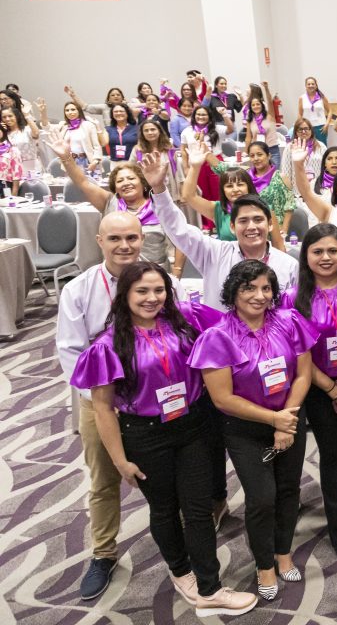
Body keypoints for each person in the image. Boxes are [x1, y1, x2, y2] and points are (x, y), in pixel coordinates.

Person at [69, 262, 256, 617]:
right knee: (165, 509)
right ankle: (181, 572)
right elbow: (104, 409)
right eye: (142, 291)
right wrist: (120, 460)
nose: (152, 298)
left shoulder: (186, 322)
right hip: (146, 434)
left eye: (159, 290)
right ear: (124, 296)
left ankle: (209, 587)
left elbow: (235, 319)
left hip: (194, 426)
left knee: (199, 509)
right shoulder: (109, 345)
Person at [190, 260, 317, 601]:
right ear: (233, 292)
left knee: (290, 489)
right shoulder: (217, 336)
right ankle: (264, 564)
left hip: (289, 418)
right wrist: (273, 420)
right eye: (248, 288)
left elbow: (303, 375)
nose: (259, 296)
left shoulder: (289, 322)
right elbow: (222, 398)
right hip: (245, 429)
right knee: (262, 498)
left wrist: (287, 419)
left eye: (266, 288)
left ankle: (284, 552)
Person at [57, 212, 148, 600]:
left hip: (152, 398)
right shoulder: (78, 290)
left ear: (142, 238)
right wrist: (107, 393)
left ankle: (184, 541)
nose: (124, 246)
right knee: (103, 479)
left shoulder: (159, 282)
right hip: (101, 402)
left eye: (131, 237)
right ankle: (104, 553)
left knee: (168, 472)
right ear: (99, 241)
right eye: (115, 239)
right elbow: (70, 351)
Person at [278, 225, 337, 563]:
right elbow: (296, 353)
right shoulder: (292, 299)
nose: (326, 258)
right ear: (306, 257)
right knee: (332, 456)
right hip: (318, 388)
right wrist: (331, 387)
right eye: (317, 252)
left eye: (332, 250)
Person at [145, 151, 299, 308]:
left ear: (270, 224)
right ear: (232, 227)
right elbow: (178, 229)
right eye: (243, 221)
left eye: (258, 220)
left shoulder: (288, 266)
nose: (251, 226)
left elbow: (294, 314)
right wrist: (159, 189)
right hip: (222, 331)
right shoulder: (214, 254)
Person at [45, 131, 178, 270]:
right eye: (120, 181)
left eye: (131, 178)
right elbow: (83, 182)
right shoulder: (109, 202)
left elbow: (179, 239)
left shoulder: (159, 204)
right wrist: (66, 158)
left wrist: (177, 271)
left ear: (143, 182)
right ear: (115, 187)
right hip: (117, 274)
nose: (126, 183)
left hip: (154, 273)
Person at [298, 76, 329, 142]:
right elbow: (300, 113)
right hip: (307, 127)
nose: (311, 85)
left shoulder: (322, 97)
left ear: (316, 85)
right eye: (308, 84)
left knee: (322, 147)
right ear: (305, 86)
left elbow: (330, 111)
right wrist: (299, 126)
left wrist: (327, 124)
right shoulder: (302, 98)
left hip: (320, 127)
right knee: (308, 147)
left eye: (313, 84)